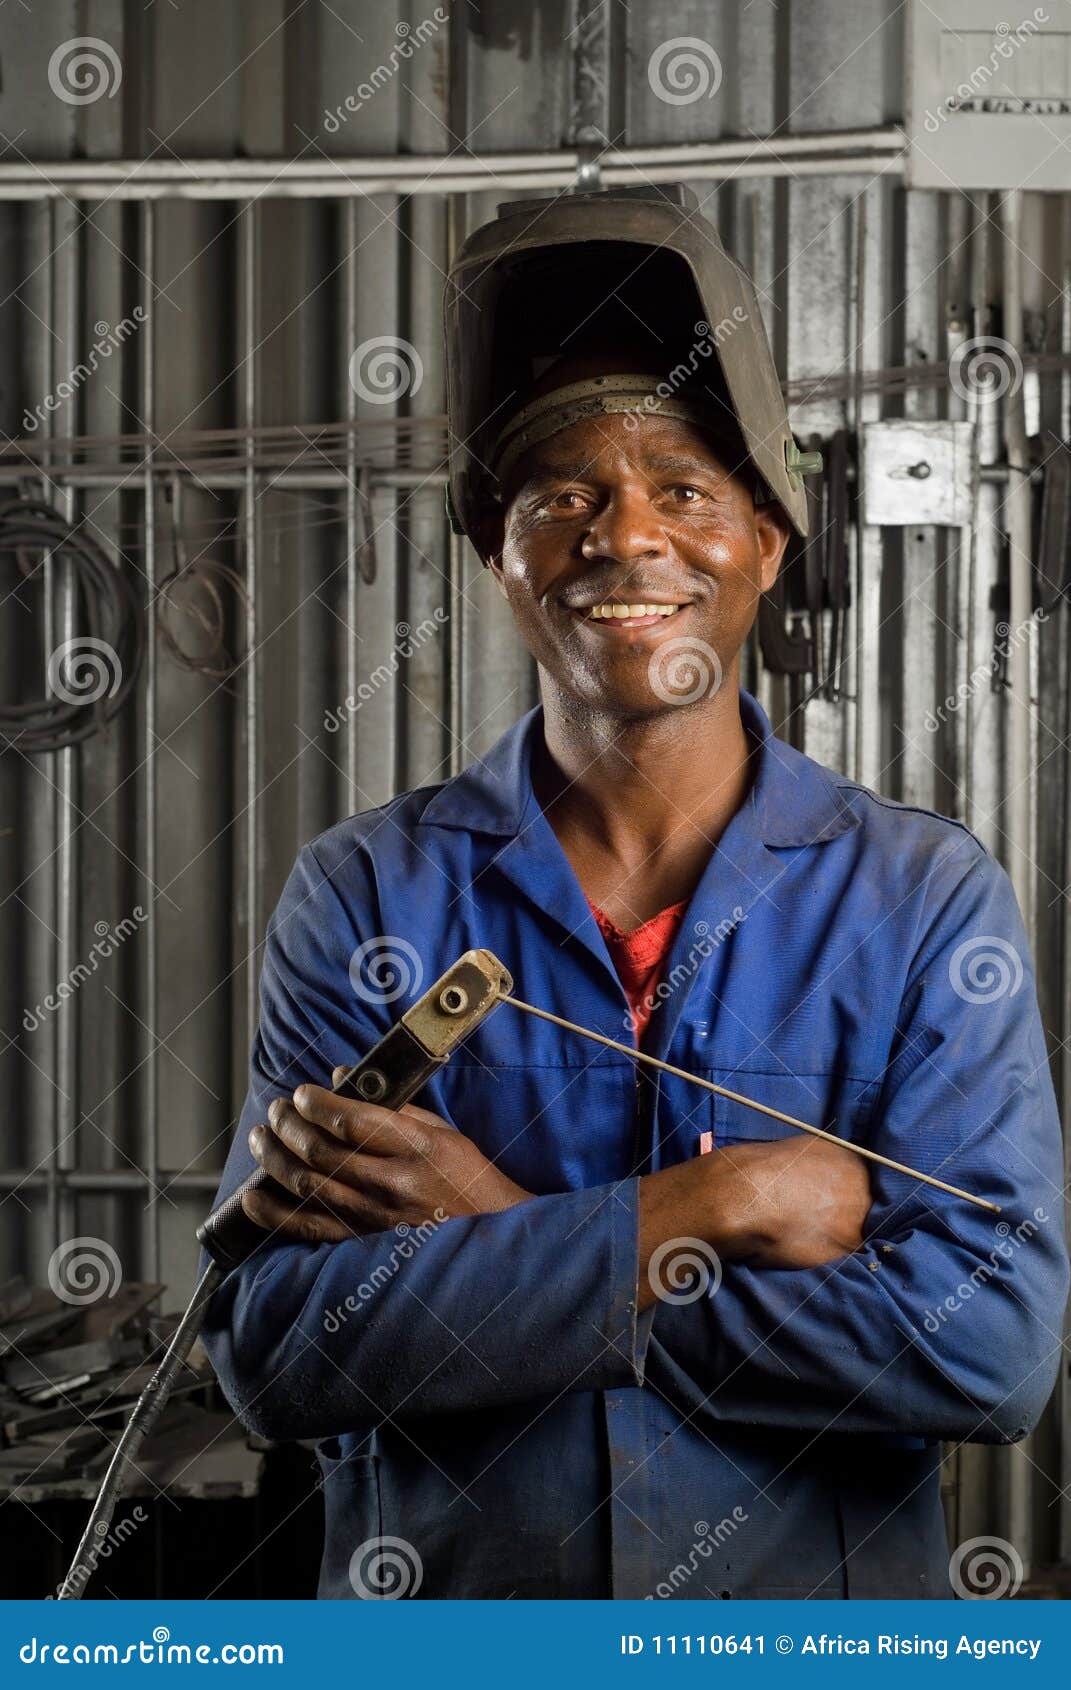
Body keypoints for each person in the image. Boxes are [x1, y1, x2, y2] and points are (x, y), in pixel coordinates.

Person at [200, 188, 1068, 1600]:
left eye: (683, 487)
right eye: (564, 496)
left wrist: (488, 1230)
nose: (627, 535)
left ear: (766, 543)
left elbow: (989, 1346)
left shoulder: (920, 902)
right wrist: (711, 1204)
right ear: (502, 556)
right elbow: (280, 1343)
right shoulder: (369, 893)